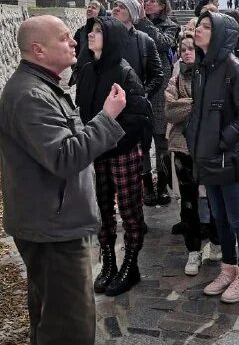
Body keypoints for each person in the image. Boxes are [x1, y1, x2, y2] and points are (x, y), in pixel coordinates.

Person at [0, 15, 127, 344]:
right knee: (70, 328)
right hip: (54, 230)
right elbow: (66, 157)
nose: (74, 42)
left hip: (53, 222)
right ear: (38, 50)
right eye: (64, 37)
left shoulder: (41, 87)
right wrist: (107, 117)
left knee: (53, 317)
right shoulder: (31, 95)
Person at [74, 17, 153, 296]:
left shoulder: (124, 72)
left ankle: (130, 264)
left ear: (112, 38)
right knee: (103, 208)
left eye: (99, 31)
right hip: (97, 152)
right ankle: (109, 262)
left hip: (122, 151)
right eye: (91, 30)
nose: (91, 35)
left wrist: (115, 141)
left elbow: (139, 115)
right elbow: (83, 110)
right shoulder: (86, 70)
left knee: (129, 210)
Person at [184, 11, 239, 303]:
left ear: (220, 35)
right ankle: (228, 269)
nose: (199, 30)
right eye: (199, 25)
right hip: (207, 157)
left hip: (227, 159)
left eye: (206, 26)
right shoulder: (202, 67)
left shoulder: (233, 68)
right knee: (219, 218)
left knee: (238, 219)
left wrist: (220, 141)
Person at [165, 32, 221, 275]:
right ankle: (193, 250)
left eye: (191, 48)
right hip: (183, 147)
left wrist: (187, 102)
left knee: (214, 198)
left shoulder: (212, 76)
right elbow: (170, 111)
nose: (187, 52)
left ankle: (217, 241)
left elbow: (215, 108)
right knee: (189, 203)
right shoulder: (176, 80)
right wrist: (195, 103)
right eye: (183, 49)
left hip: (208, 147)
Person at [112, 0, 165, 205]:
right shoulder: (106, 38)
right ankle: (132, 193)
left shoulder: (144, 40)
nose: (116, 9)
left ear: (133, 13)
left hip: (137, 107)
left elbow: (157, 74)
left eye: (122, 6)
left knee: (143, 147)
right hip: (113, 107)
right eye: (115, 5)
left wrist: (143, 94)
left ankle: (152, 187)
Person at [142, 0, 181, 205]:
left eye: (152, 1)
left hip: (160, 89)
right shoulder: (137, 25)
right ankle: (147, 184)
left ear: (162, 6)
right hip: (141, 85)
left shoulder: (171, 25)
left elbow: (163, 43)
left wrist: (145, 23)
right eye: (146, 0)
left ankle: (163, 184)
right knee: (142, 142)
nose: (147, 3)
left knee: (161, 141)